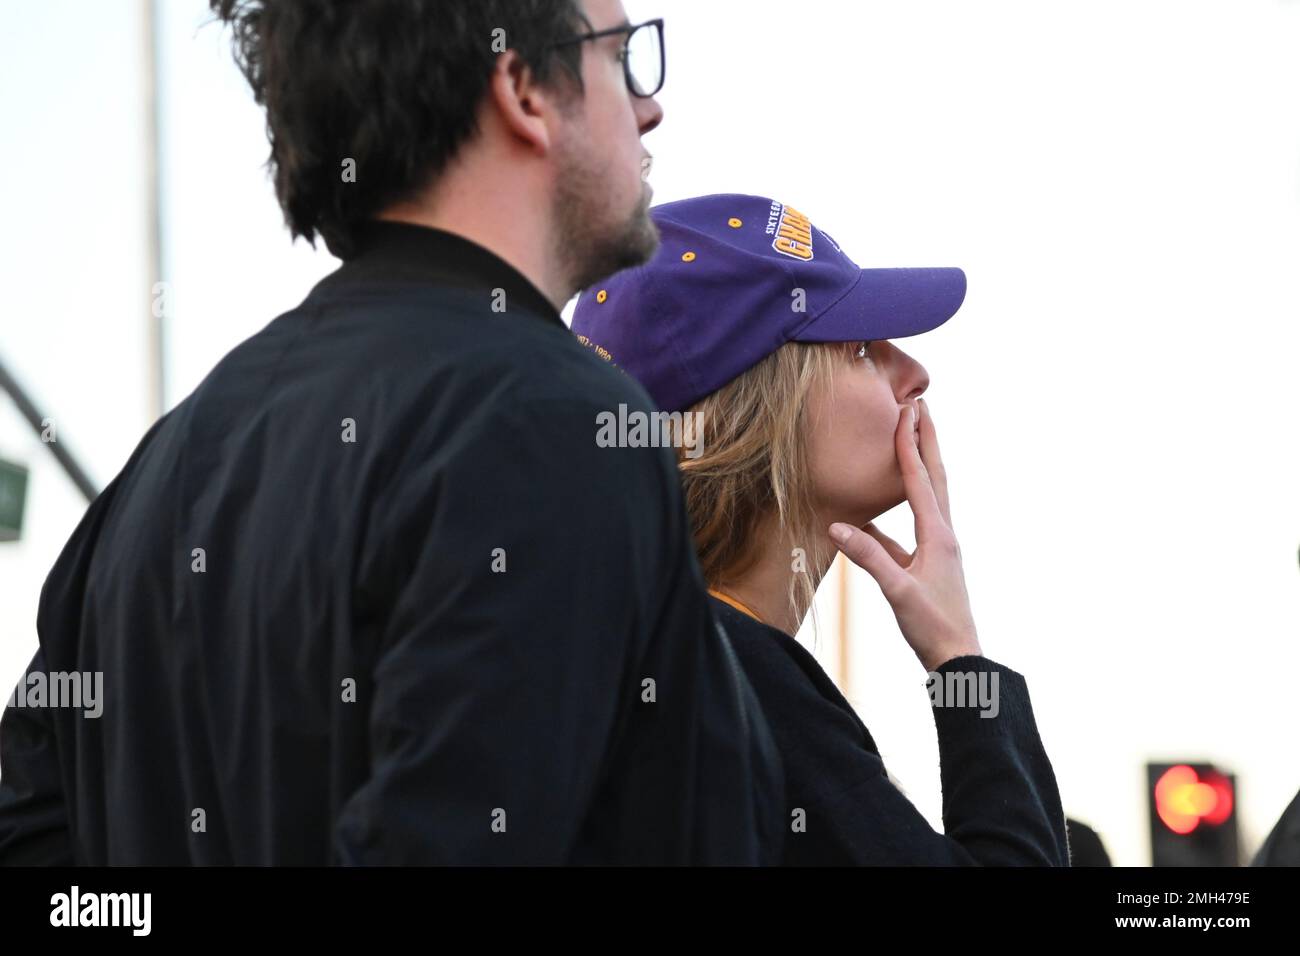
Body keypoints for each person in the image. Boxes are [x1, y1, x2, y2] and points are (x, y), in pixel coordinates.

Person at [0, 3, 785, 865]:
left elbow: (34, 833)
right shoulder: (557, 426)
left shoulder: (167, 462)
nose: (649, 106)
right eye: (623, 57)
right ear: (521, 87)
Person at [571, 192, 1070, 864]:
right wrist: (959, 657)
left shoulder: (642, 655)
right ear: (758, 399)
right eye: (862, 347)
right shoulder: (735, 678)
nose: (915, 373)